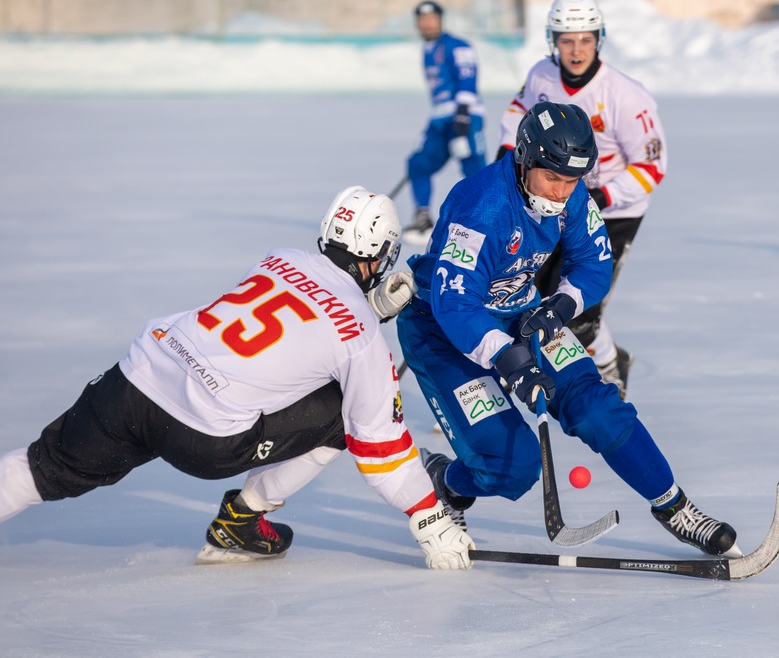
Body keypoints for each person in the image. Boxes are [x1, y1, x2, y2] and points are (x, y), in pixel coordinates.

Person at [0, 186, 474, 571]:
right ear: (380, 253)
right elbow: (378, 440)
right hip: (202, 434)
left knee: (42, 468)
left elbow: (301, 320)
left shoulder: (277, 257)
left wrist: (364, 310)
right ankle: (241, 522)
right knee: (340, 416)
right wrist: (429, 517)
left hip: (138, 378)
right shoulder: (360, 333)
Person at [396, 102, 741, 558]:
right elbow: (456, 304)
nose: (562, 193)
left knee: (597, 408)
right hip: (442, 330)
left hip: (523, 314)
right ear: (524, 159)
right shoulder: (480, 207)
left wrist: (560, 305)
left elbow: (595, 263)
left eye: (572, 181)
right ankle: (446, 483)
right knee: (513, 465)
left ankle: (674, 507)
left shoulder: (570, 193)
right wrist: (510, 360)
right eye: (553, 179)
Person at [496, 0, 667, 399]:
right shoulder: (541, 75)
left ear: (599, 40)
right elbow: (516, 114)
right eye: (567, 40)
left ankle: (609, 365)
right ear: (552, 40)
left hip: (613, 212)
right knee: (528, 287)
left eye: (585, 40)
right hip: (553, 199)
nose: (576, 50)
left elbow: (653, 166)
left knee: (578, 304)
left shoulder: (626, 96)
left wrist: (602, 196)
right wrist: (508, 164)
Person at [401, 0, 487, 246]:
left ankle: (484, 218)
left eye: (431, 20)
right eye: (422, 21)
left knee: (475, 169)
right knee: (418, 164)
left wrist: (462, 112)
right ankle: (423, 217)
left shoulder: (457, 46)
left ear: (440, 20)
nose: (427, 25)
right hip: (439, 121)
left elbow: (467, 77)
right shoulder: (427, 50)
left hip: (463, 118)